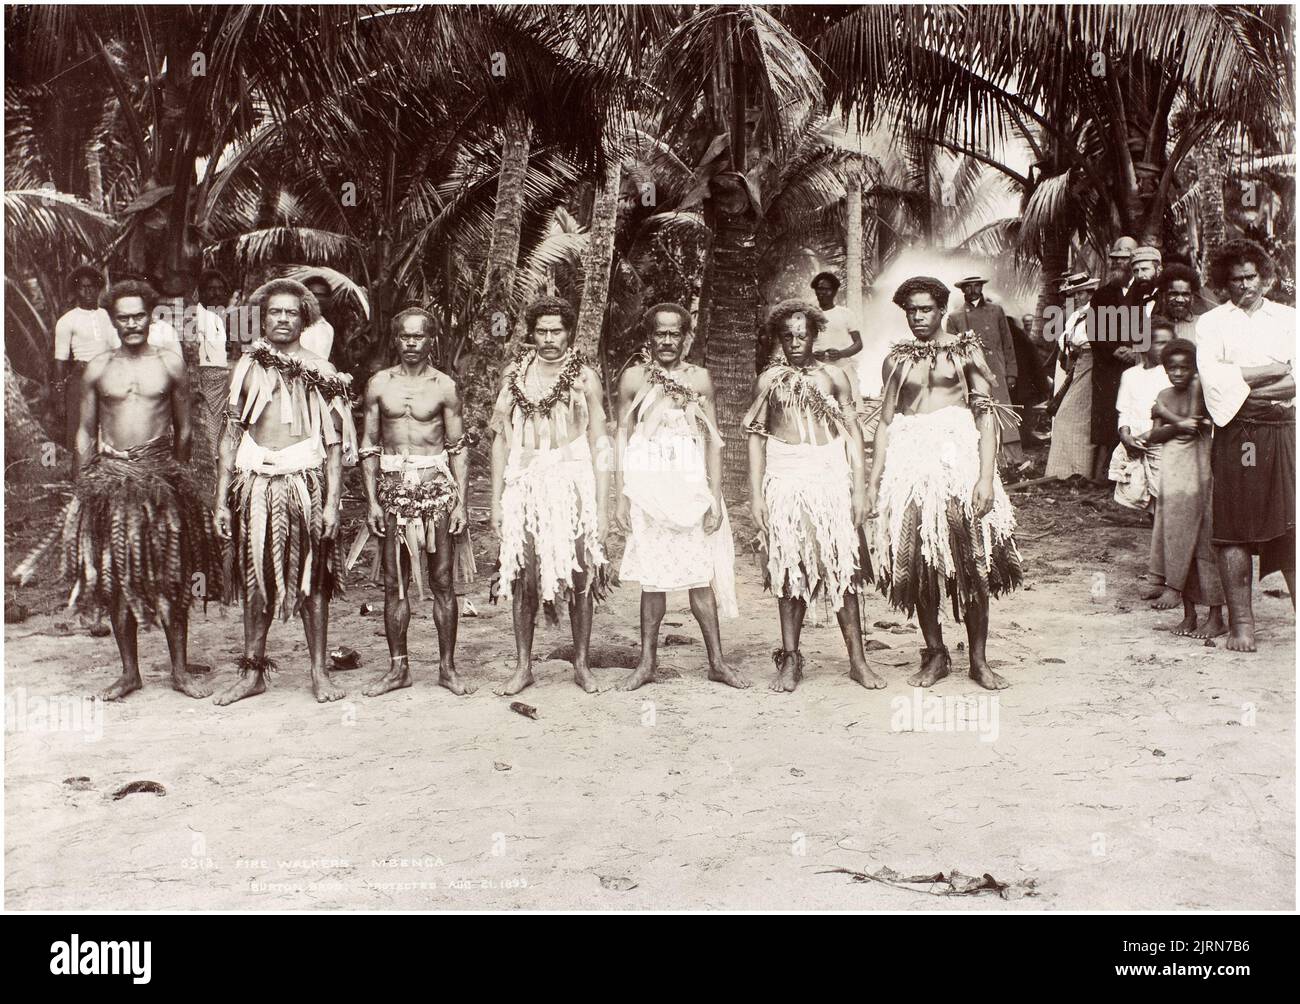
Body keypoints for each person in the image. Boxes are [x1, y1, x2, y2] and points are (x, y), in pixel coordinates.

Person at [15, 280, 222, 700]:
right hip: (110, 478)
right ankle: (130, 672)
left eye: (138, 315)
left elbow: (184, 430)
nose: (131, 323)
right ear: (112, 320)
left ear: (151, 315)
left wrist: (175, 480)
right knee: (116, 577)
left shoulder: (170, 364)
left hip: (160, 476)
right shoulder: (98, 367)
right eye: (123, 317)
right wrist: (86, 480)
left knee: (173, 576)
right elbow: (85, 431)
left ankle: (180, 671)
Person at [867, 276, 1022, 690]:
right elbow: (884, 422)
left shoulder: (966, 352)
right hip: (912, 467)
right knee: (920, 562)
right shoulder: (896, 361)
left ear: (941, 310)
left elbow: (985, 415)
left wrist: (986, 477)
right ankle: (935, 653)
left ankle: (978, 659)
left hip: (957, 463)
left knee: (972, 560)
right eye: (911, 310)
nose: (918, 317)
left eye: (926, 309)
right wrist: (874, 482)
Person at [212, 278, 358, 703]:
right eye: (274, 311)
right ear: (262, 316)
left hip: (304, 483)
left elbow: (334, 445)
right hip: (255, 483)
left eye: (290, 312)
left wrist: (331, 504)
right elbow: (229, 435)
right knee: (256, 578)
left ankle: (318, 672)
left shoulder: (322, 370)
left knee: (314, 580)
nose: (281, 319)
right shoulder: (246, 366)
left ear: (305, 319)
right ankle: (252, 671)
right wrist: (221, 500)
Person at [745, 300, 880, 693]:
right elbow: (756, 438)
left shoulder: (834, 377)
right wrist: (756, 495)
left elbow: (853, 432)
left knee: (844, 569)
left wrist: (859, 488)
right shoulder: (769, 382)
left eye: (802, 334)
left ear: (815, 334)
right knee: (790, 568)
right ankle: (790, 660)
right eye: (787, 336)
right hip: (786, 477)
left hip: (830, 476)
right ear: (778, 339)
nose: (795, 342)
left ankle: (857, 660)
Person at [614, 304, 746, 691]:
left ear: (686, 336)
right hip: (647, 485)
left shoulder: (700, 378)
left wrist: (715, 497)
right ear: (649, 336)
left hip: (690, 484)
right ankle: (646, 663)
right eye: (660, 333)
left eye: (675, 334)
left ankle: (717, 662)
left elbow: (713, 440)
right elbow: (621, 437)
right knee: (652, 579)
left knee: (699, 575)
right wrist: (622, 496)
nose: (667, 341)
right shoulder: (634, 378)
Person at [349, 308, 475, 697]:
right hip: (392, 491)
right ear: (396, 339)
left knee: (441, 581)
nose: (411, 343)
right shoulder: (378, 384)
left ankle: (447, 668)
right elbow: (368, 446)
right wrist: (371, 502)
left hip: (435, 487)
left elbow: (457, 448)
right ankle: (398, 668)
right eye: (405, 336)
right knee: (395, 584)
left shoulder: (445, 387)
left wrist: (460, 504)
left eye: (419, 337)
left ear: (431, 339)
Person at [490, 296, 610, 695]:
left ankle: (581, 663)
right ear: (531, 333)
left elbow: (599, 440)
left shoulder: (585, 377)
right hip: (523, 481)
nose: (548, 338)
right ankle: (523, 666)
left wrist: (603, 506)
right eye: (541, 331)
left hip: (572, 480)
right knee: (522, 571)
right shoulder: (515, 375)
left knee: (579, 572)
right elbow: (500, 441)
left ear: (569, 332)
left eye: (556, 330)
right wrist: (495, 502)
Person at [1196, 239, 1296, 652]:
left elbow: (1297, 380)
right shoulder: (1213, 323)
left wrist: (1243, 378)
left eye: (1251, 276)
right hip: (1238, 436)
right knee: (1234, 529)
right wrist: (1273, 371)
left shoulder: (1289, 318)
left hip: (1285, 433)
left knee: (1294, 527)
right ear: (1224, 283)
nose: (1245, 285)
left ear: (1264, 276)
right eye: (1236, 280)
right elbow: (1213, 383)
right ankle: (1242, 626)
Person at [1143, 337, 1226, 635]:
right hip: (1173, 474)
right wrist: (1172, 424)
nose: (1178, 373)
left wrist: (1165, 414)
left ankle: (1216, 616)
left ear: (1194, 368)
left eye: (1185, 367)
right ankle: (1189, 614)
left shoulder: (1199, 389)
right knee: (1176, 538)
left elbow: (1193, 423)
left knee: (1204, 540)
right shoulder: (1164, 392)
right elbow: (1155, 436)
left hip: (1198, 472)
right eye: (1171, 367)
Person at [944, 275, 1027, 474]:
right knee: (980, 411)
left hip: (997, 369)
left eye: (976, 286)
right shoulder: (955, 317)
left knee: (1003, 410)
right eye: (968, 287)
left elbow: (1008, 343)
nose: (973, 290)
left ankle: (1015, 458)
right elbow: (949, 349)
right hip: (971, 371)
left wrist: (1011, 372)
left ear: (981, 288)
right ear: (963, 290)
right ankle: (988, 460)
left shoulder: (996, 311)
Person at [52, 265, 117, 470]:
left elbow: (117, 347)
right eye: (83, 287)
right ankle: (80, 479)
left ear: (99, 289)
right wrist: (60, 397)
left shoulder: (108, 316)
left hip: (108, 376)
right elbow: (60, 361)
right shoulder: (67, 320)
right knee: (81, 430)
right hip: (82, 379)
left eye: (92, 287)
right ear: (76, 290)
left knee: (110, 429)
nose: (88, 292)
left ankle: (105, 476)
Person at [1109, 316, 1173, 511]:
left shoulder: (1173, 375)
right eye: (1161, 343)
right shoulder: (1130, 375)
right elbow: (1124, 411)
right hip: (1134, 444)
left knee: (1164, 493)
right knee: (1139, 493)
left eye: (1170, 343)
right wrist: (1125, 435)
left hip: (1163, 444)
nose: (1167, 348)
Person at [1045, 272, 1101, 481]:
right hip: (1075, 365)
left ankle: (1078, 469)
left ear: (1090, 293)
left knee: (1072, 417)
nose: (1077, 297)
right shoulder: (1075, 315)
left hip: (1089, 365)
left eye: (1081, 293)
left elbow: (1088, 342)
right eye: (1074, 293)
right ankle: (1064, 470)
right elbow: (1064, 341)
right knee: (1064, 415)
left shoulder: (1096, 314)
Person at [810, 272, 863, 396]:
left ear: (834, 291)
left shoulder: (846, 314)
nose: (821, 293)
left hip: (843, 368)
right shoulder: (809, 314)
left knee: (847, 406)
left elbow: (858, 344)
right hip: (816, 370)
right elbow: (801, 341)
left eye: (826, 289)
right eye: (818, 289)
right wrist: (812, 355)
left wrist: (841, 353)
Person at [1156, 264, 1211, 342]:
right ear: (1164, 296)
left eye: (1185, 294)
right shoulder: (1151, 324)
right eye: (1174, 294)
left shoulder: (1204, 324)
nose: (1180, 299)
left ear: (1192, 297)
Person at [301, 274, 335, 361]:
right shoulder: (292, 324)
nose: (317, 299)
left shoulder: (327, 328)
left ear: (328, 299)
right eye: (313, 294)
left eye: (322, 295)